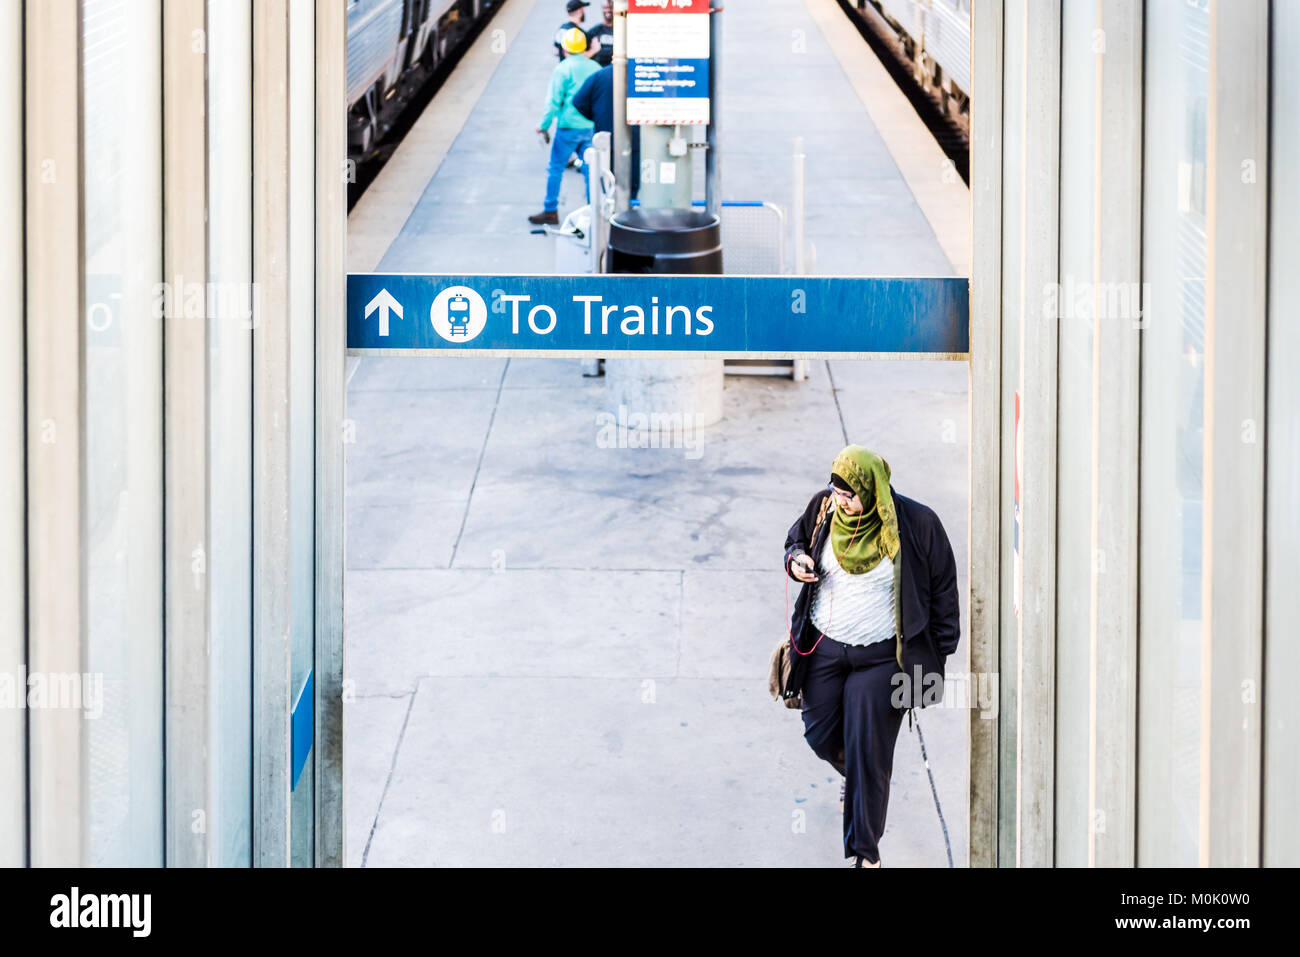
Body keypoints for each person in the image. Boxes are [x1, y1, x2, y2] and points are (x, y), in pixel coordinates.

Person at [781, 445, 960, 867]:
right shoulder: (824, 509)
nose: (842, 502)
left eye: (850, 495)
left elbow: (943, 592)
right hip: (825, 647)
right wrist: (797, 561)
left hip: (882, 659)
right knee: (819, 733)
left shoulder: (917, 524)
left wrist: (939, 653)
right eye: (837, 493)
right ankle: (866, 777)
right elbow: (794, 540)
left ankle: (866, 855)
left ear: (872, 488)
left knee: (868, 742)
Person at [529, 27, 601, 226]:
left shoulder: (562, 69)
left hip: (568, 127)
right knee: (589, 170)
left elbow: (553, 101)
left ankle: (550, 210)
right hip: (589, 126)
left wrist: (543, 125)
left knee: (555, 168)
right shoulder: (594, 67)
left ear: (564, 48)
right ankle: (592, 209)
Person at [572, 63, 640, 196]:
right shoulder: (643, 76)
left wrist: (598, 117)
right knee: (632, 187)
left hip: (606, 140)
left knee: (608, 185)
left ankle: (611, 212)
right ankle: (627, 211)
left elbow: (579, 102)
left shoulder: (600, 75)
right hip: (635, 140)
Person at [586, 1, 614, 67]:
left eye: (611, 7)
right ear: (602, 9)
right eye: (605, 8)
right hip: (598, 69)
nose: (608, 10)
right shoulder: (594, 31)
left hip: (616, 70)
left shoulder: (622, 30)